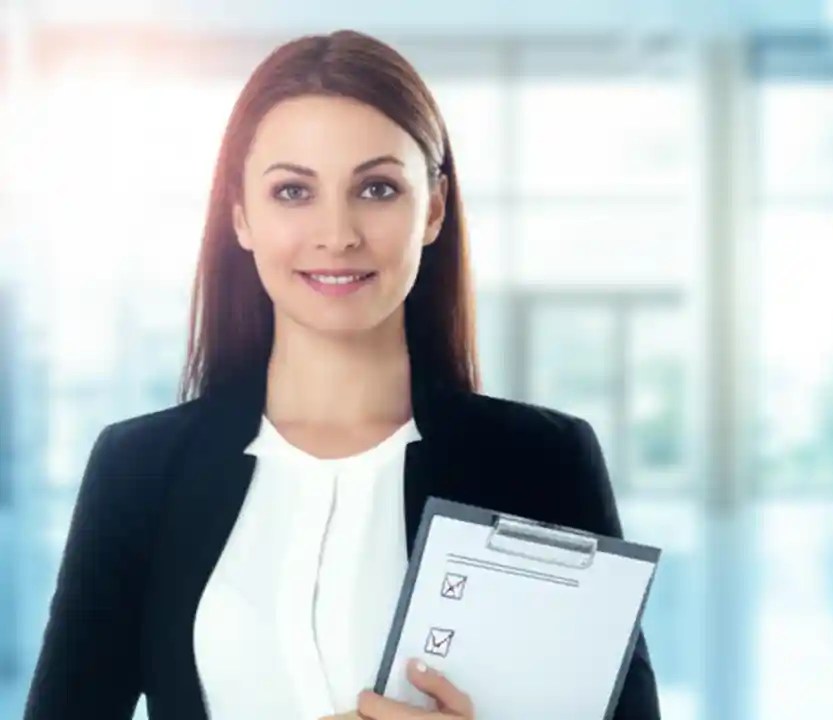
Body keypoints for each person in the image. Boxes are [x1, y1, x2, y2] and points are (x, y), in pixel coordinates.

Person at [22, 29, 660, 720]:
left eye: (377, 188)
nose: (337, 233)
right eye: (293, 191)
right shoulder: (140, 469)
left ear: (433, 208)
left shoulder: (541, 461)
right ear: (241, 215)